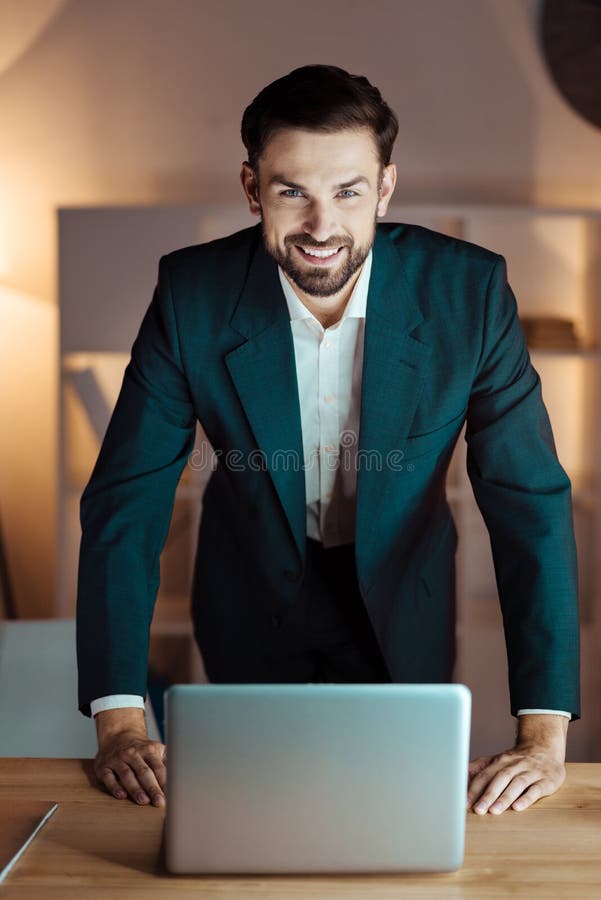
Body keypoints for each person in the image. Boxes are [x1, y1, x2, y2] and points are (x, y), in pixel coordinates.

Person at [76, 64, 580, 817]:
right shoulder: (191, 296)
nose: (321, 226)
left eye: (347, 191)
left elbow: (528, 506)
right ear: (251, 189)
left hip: (403, 593)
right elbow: (127, 503)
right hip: (247, 590)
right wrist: (119, 724)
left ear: (382, 189)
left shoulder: (469, 296)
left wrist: (541, 734)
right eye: (292, 192)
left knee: (391, 816)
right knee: (254, 817)